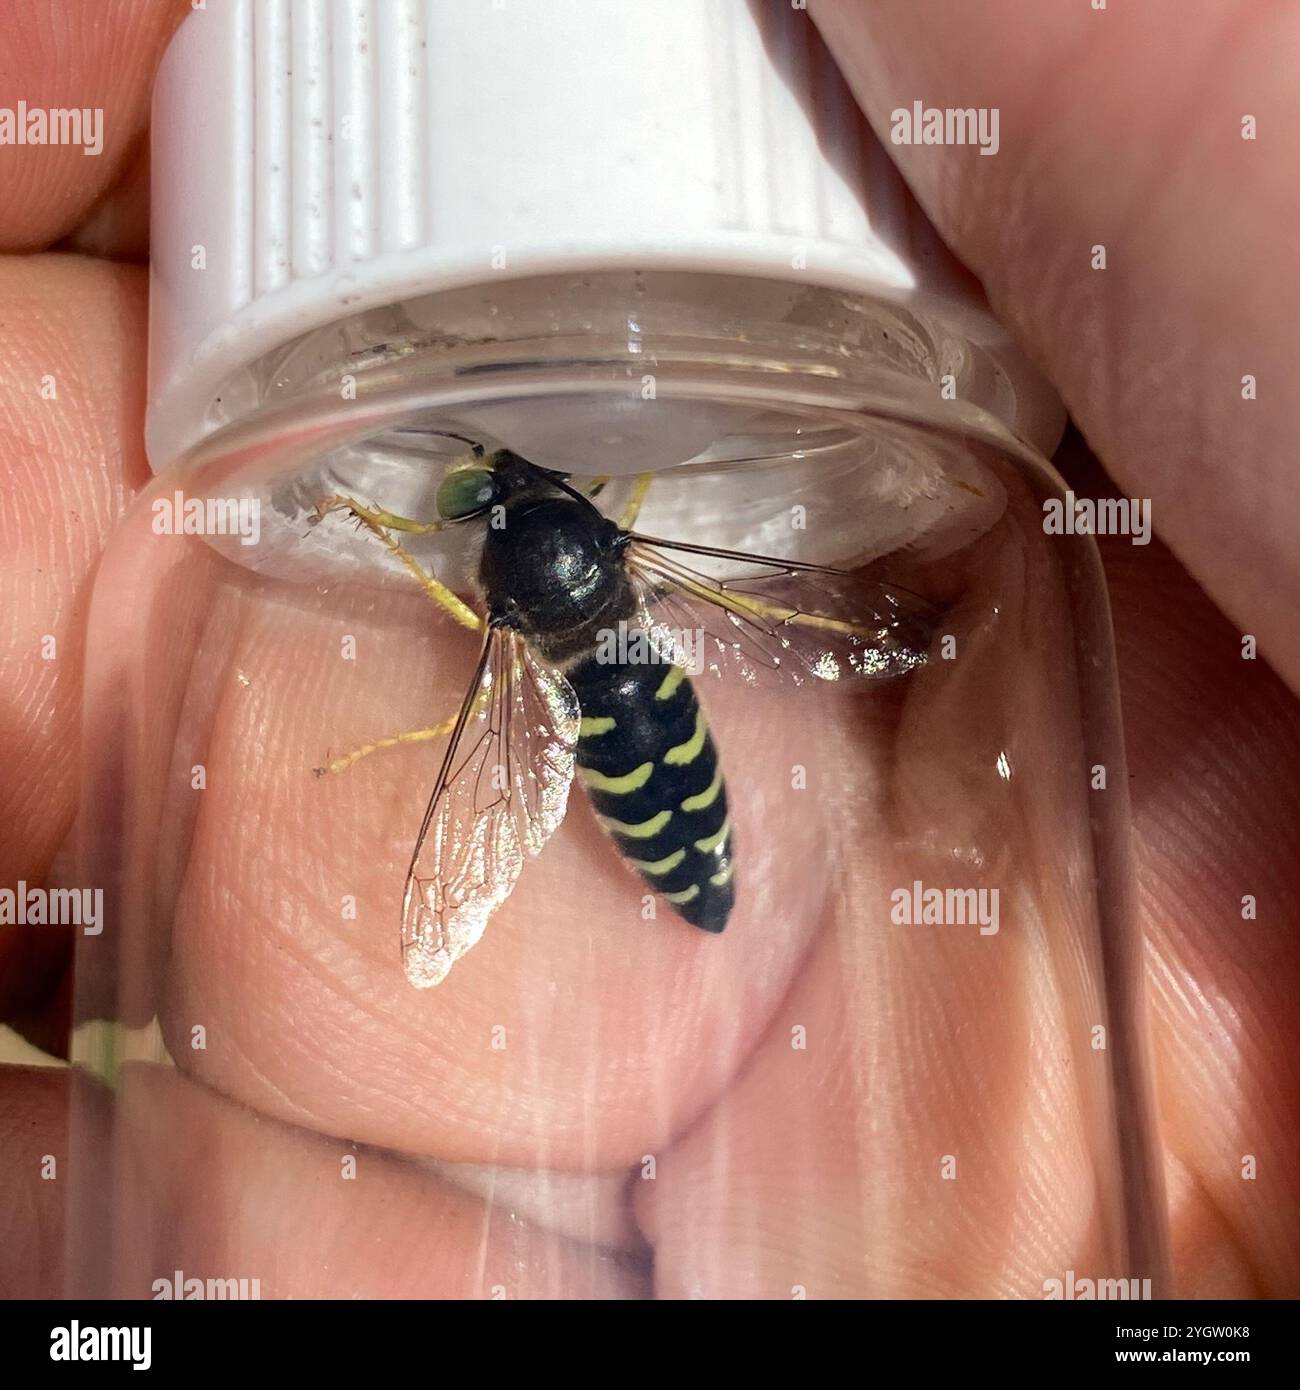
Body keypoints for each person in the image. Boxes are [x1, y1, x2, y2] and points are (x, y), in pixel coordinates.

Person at [0, 0, 1295, 1298]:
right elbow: (782, 596)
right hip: (659, 721)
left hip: (638, 732)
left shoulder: (489, 596)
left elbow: (472, 600)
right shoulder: (624, 542)